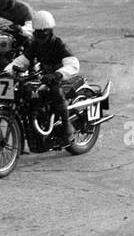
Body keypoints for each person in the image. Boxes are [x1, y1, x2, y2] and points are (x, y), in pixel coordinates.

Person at [6, 9, 82, 147]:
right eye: (37, 32)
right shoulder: (35, 44)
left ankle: (67, 128)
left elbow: (73, 63)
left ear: (50, 31)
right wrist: (7, 71)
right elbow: (23, 60)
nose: (40, 35)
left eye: (43, 32)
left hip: (61, 78)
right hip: (44, 76)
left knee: (54, 91)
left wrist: (58, 74)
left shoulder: (59, 44)